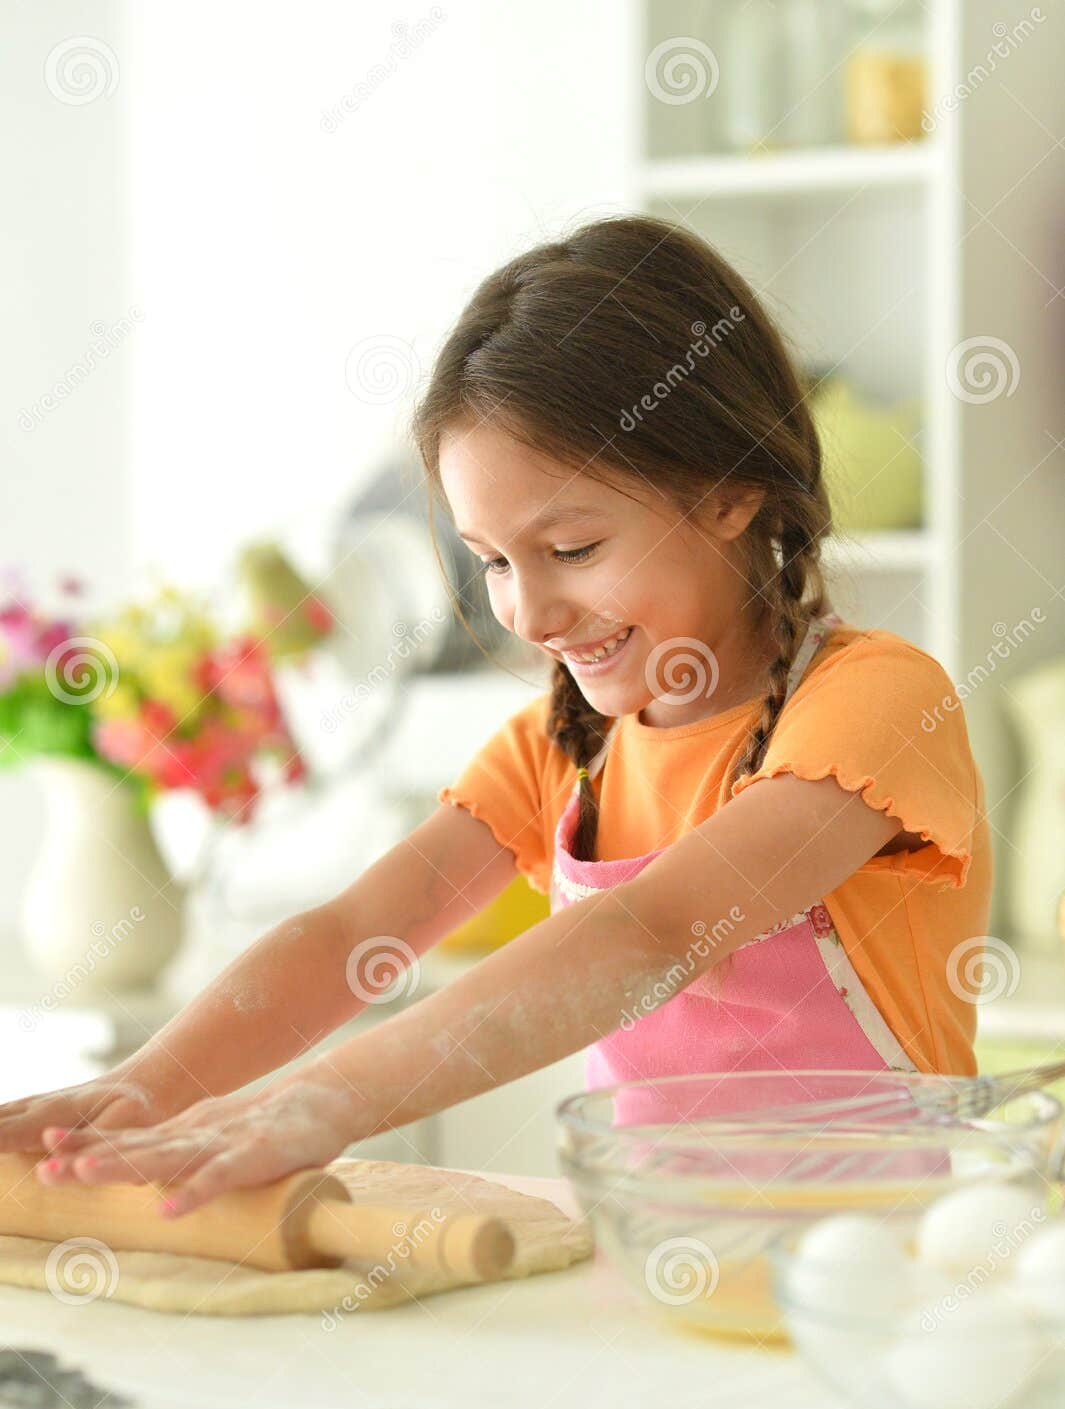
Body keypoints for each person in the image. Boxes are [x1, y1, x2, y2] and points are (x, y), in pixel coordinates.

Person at [0, 214, 990, 1216]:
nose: (527, 612)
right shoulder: (562, 750)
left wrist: (329, 1096)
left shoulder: (875, 704)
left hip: (880, 1287)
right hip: (656, 1265)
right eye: (493, 561)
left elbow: (653, 931)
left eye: (572, 549)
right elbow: (355, 932)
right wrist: (147, 1089)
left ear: (731, 492)